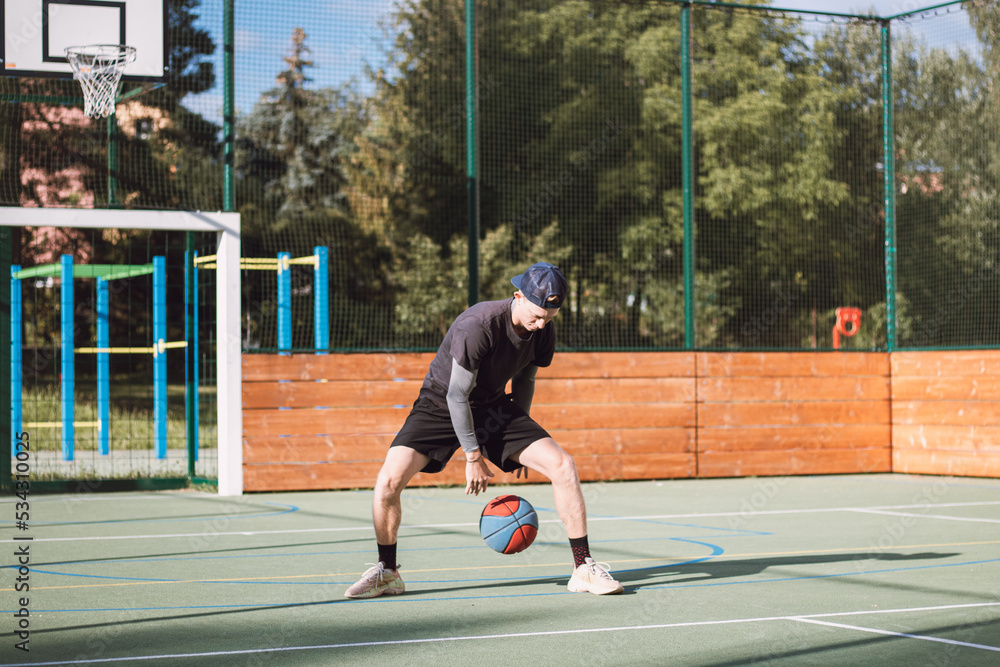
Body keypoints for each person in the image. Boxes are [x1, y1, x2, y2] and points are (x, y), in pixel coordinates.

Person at [345, 262, 624, 599]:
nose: (541, 324)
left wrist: (522, 439)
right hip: (439, 405)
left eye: (548, 318)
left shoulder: (543, 329)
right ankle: (387, 572)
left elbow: (525, 379)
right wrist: (472, 456)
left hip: (494, 406)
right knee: (388, 481)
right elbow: (456, 394)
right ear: (518, 296)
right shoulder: (478, 325)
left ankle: (583, 568)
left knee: (563, 465)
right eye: (536, 315)